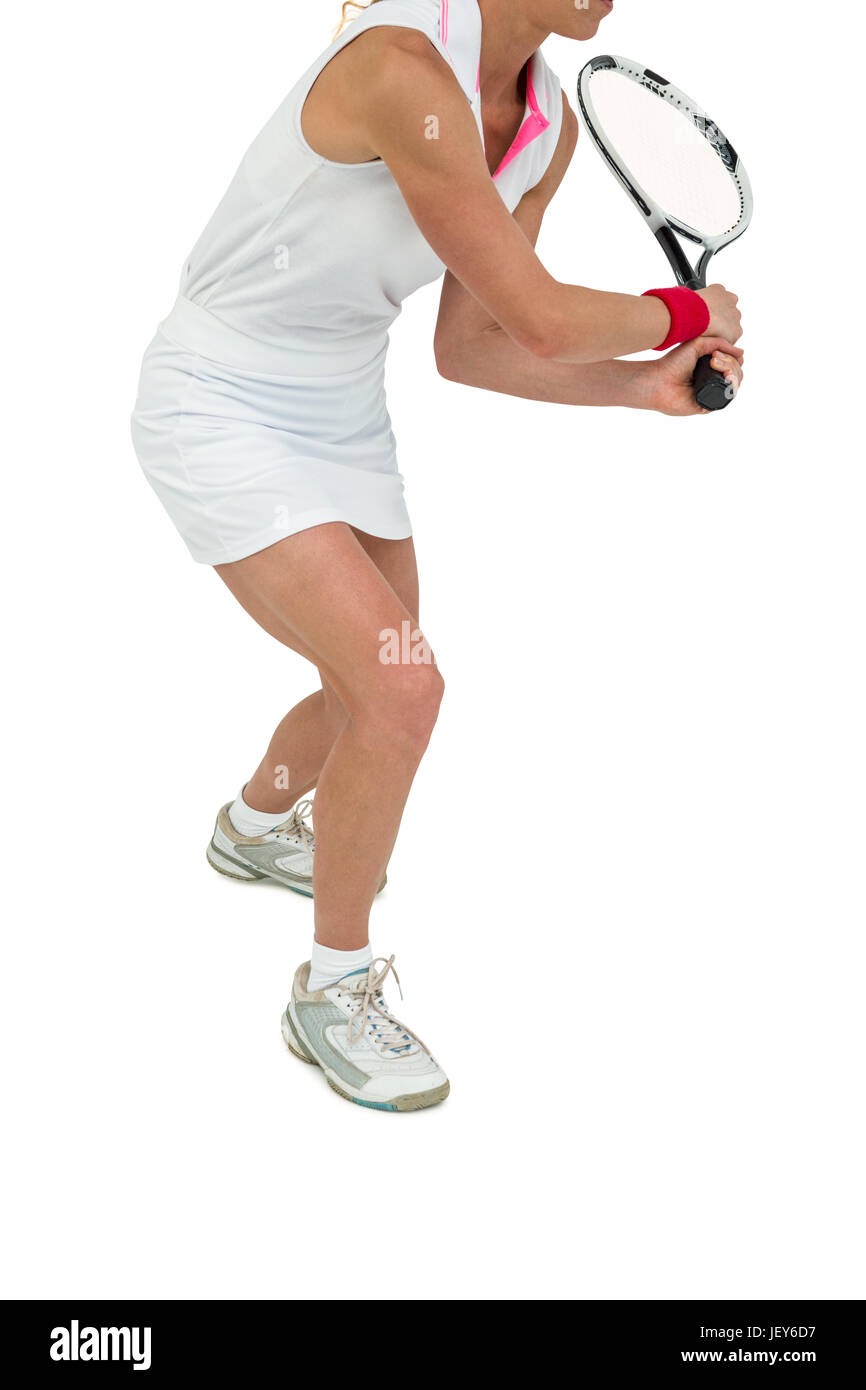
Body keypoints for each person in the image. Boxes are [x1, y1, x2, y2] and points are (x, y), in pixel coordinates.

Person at [131, 0, 743, 1111]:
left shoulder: (543, 125)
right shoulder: (400, 67)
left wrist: (639, 386)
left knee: (368, 690)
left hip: (340, 413)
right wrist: (678, 310)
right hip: (217, 400)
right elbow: (546, 316)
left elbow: (474, 346)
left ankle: (255, 825)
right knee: (402, 691)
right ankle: (332, 989)